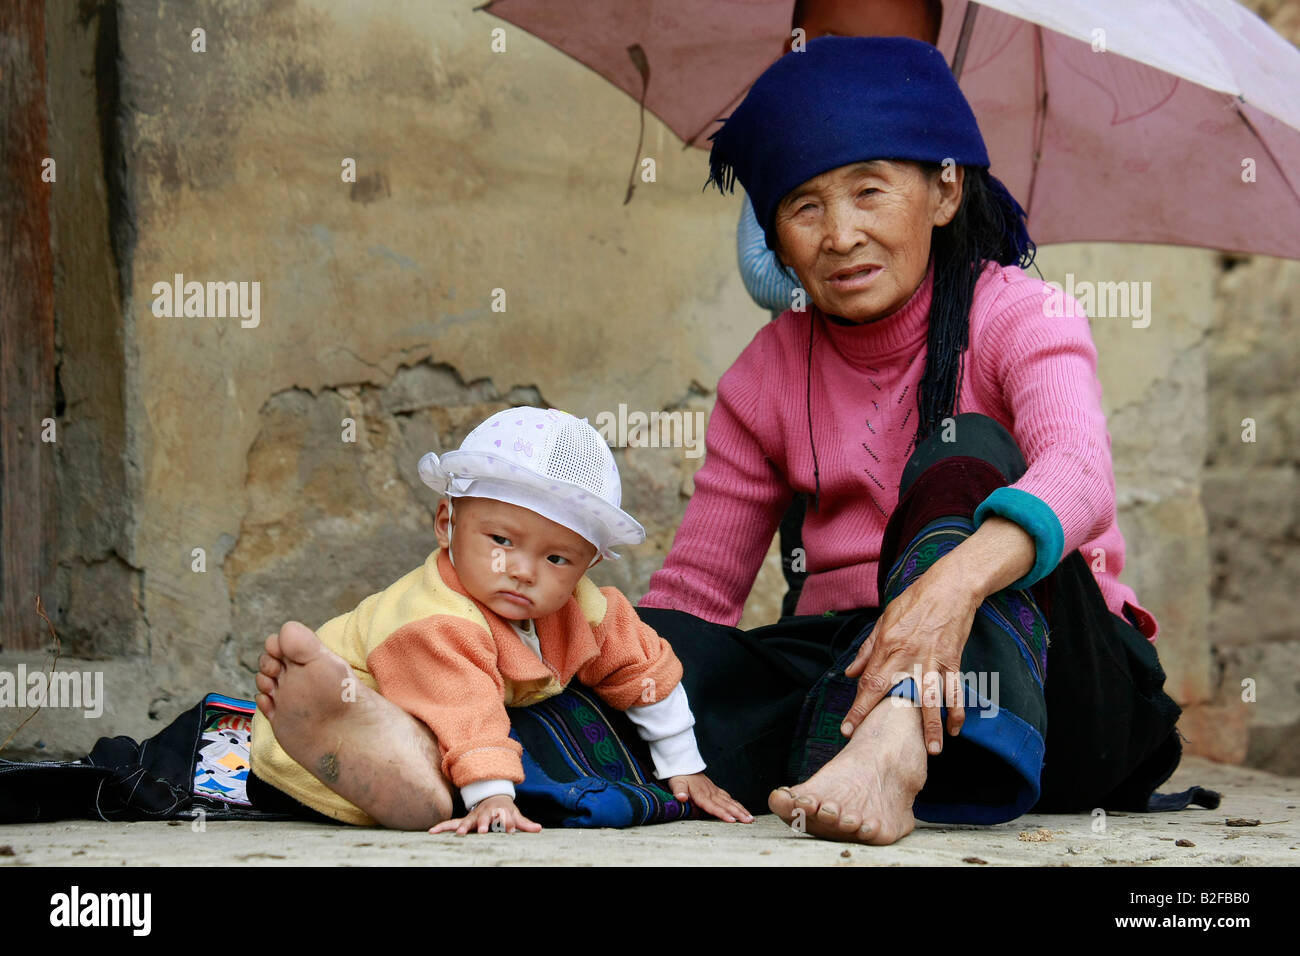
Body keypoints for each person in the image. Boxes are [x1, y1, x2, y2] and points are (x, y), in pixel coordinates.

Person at [635, 36, 1199, 845]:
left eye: (869, 192)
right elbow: (695, 592)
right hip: (848, 673)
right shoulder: (765, 375)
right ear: (775, 237)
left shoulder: (1018, 314)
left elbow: (1079, 471)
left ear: (944, 190)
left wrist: (943, 594)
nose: (839, 235)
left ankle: (898, 742)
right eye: (804, 207)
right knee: (661, 658)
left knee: (963, 448)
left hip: (1062, 690)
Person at [249, 406, 751, 832]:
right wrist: (493, 797)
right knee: (440, 736)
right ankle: (364, 737)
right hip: (345, 703)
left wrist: (685, 764)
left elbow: (644, 667)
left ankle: (410, 771)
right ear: (448, 524)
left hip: (412, 738)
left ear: (588, 565)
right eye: (501, 541)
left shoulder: (584, 605)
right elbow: (465, 707)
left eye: (557, 559)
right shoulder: (436, 619)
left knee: (434, 752)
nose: (523, 572)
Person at [740, 0, 945, 616]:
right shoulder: (784, 145)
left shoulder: (928, 144)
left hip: (922, 405)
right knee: (816, 566)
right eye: (806, 211)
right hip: (820, 401)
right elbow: (758, 268)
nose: (841, 233)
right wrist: (845, 279)